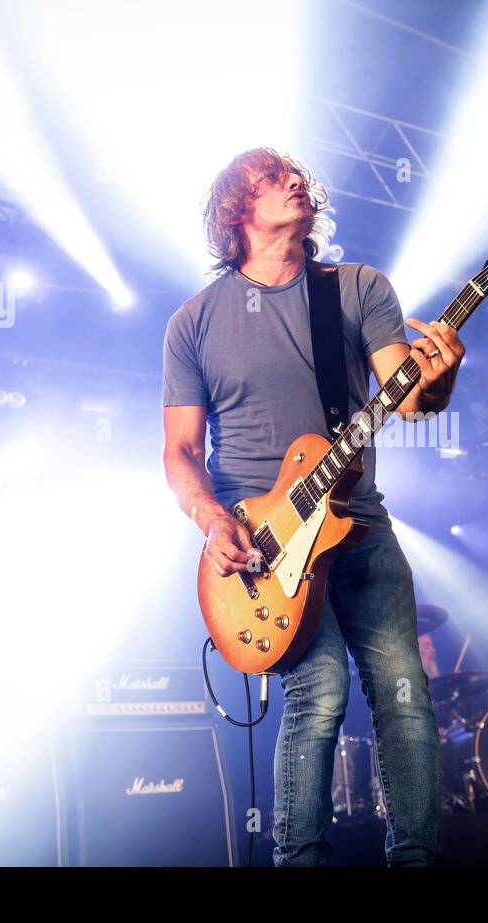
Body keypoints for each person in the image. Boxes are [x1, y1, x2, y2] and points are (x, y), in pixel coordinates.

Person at [161, 147, 465, 866]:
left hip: (355, 519)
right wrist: (212, 519)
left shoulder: (356, 287)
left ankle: (416, 857)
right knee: (320, 687)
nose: (296, 181)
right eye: (272, 178)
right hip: (259, 542)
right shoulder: (193, 323)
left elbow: (412, 398)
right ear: (237, 209)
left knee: (404, 693)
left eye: (298, 175)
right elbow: (179, 452)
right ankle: (299, 859)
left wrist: (443, 379)